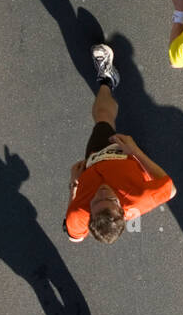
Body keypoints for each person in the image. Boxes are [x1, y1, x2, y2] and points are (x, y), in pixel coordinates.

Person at [65, 45, 175, 243]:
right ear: (122, 210)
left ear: (90, 213)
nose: (101, 192)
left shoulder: (78, 214)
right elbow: (170, 190)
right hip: (126, 159)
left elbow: (75, 237)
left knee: (102, 117)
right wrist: (135, 151)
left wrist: (74, 186)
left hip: (98, 158)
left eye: (95, 201)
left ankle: (107, 78)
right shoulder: (141, 198)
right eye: (108, 199)